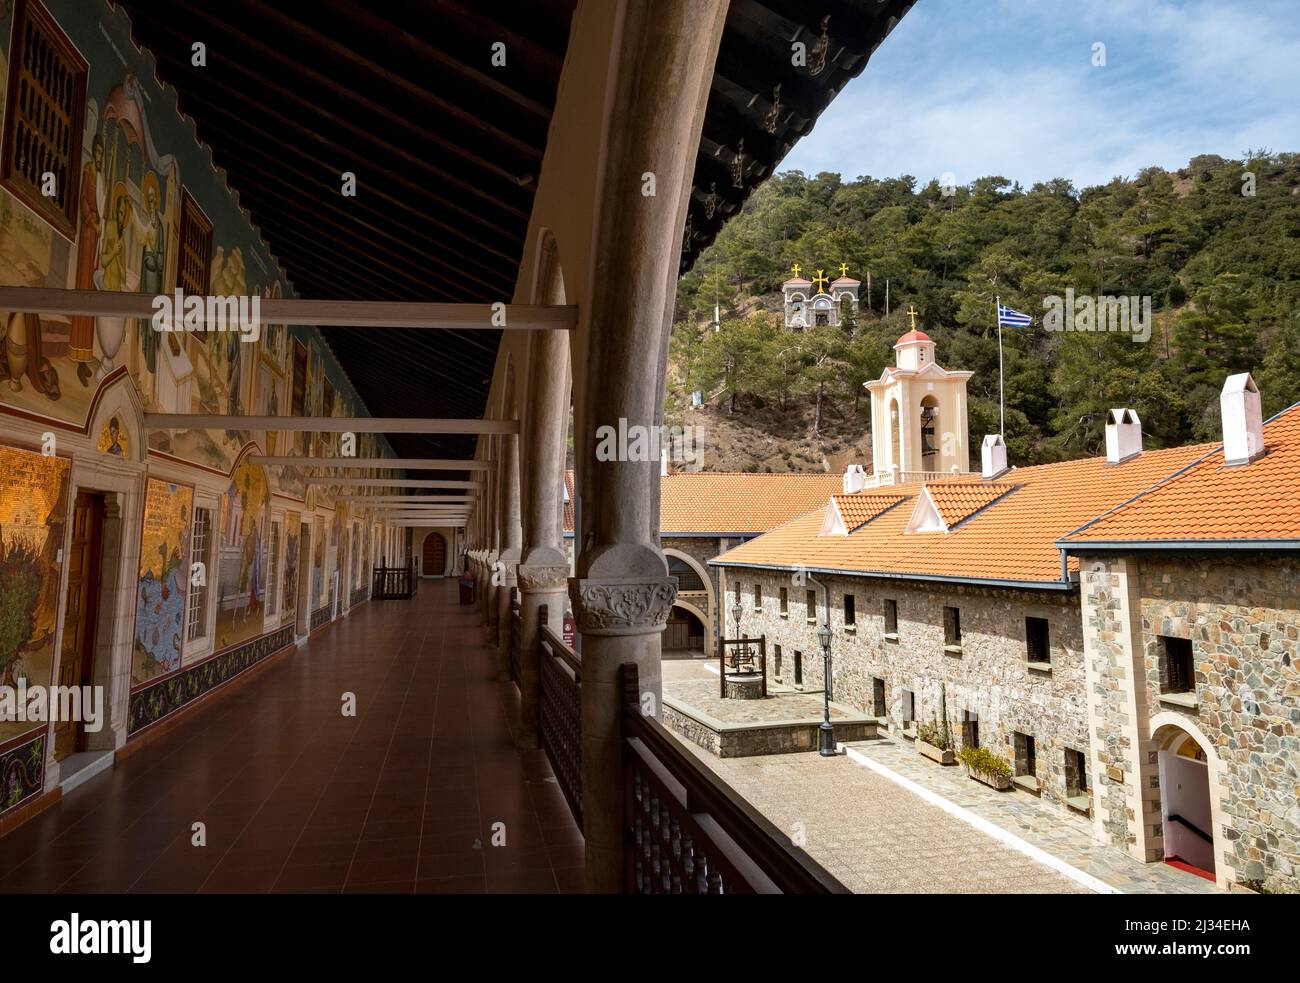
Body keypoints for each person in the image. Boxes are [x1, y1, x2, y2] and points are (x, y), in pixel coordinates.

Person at [70, 134, 106, 386]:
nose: (101, 155)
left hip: (98, 240)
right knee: (84, 291)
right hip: (88, 237)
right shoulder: (89, 170)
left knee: (92, 297)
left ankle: (85, 357)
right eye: (99, 151)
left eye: (103, 152)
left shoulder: (102, 176)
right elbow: (84, 199)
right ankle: (78, 354)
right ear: (94, 151)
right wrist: (92, 219)